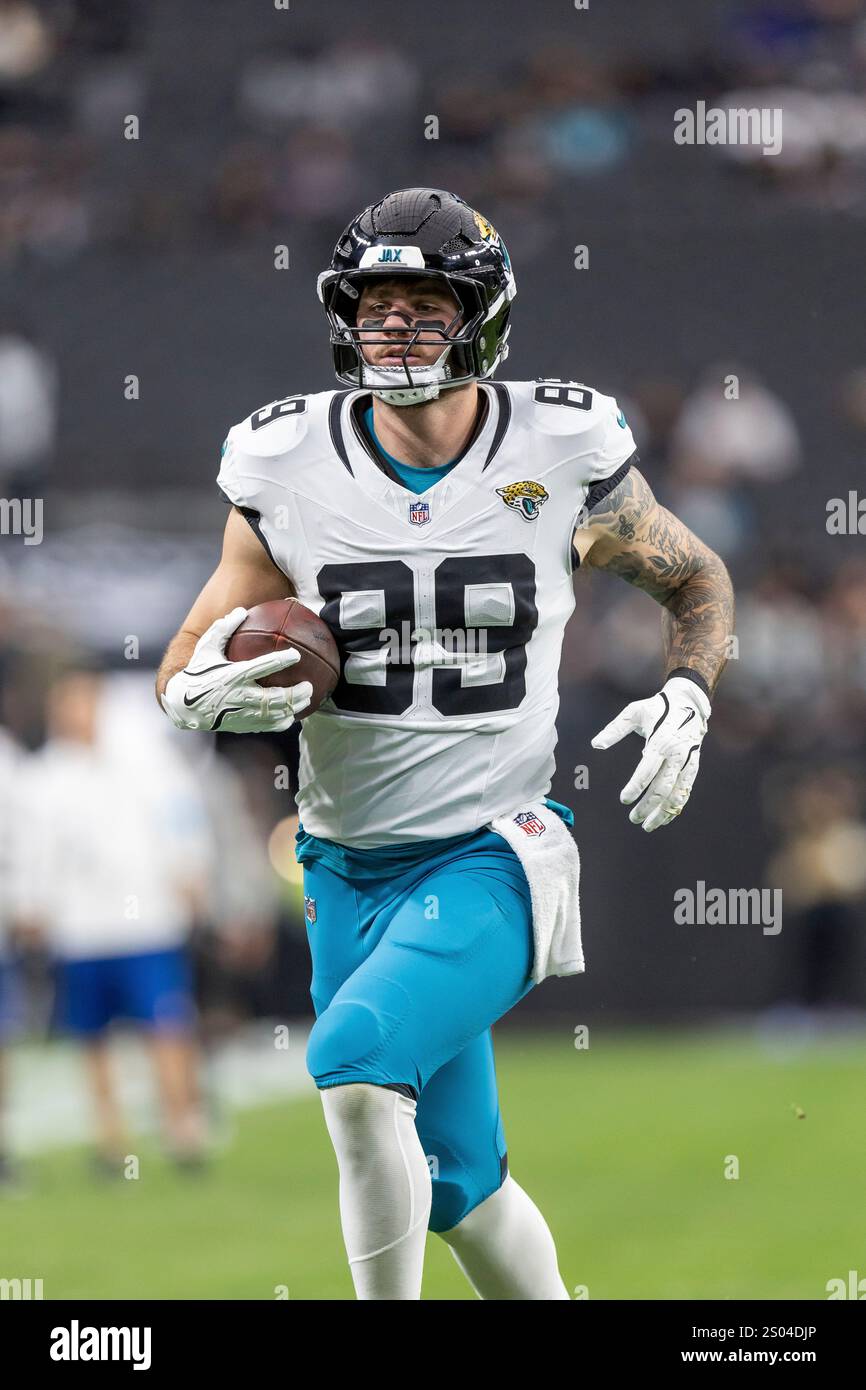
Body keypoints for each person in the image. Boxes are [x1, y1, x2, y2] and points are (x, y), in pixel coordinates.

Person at [157, 188, 734, 1299]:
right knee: (463, 1189)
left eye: (426, 304)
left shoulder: (560, 442)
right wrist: (192, 693)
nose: (395, 328)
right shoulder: (282, 461)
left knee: (354, 1064)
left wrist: (689, 691)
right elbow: (187, 649)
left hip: (490, 852)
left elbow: (692, 575)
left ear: (484, 315)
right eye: (375, 306)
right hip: (340, 861)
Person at [14, 668, 210, 1170]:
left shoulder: (144, 757)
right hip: (81, 928)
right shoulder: (44, 777)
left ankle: (183, 1129)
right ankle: (111, 1139)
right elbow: (34, 852)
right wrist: (31, 905)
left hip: (146, 920)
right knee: (92, 1037)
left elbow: (181, 815)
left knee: (166, 1026)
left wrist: (189, 870)